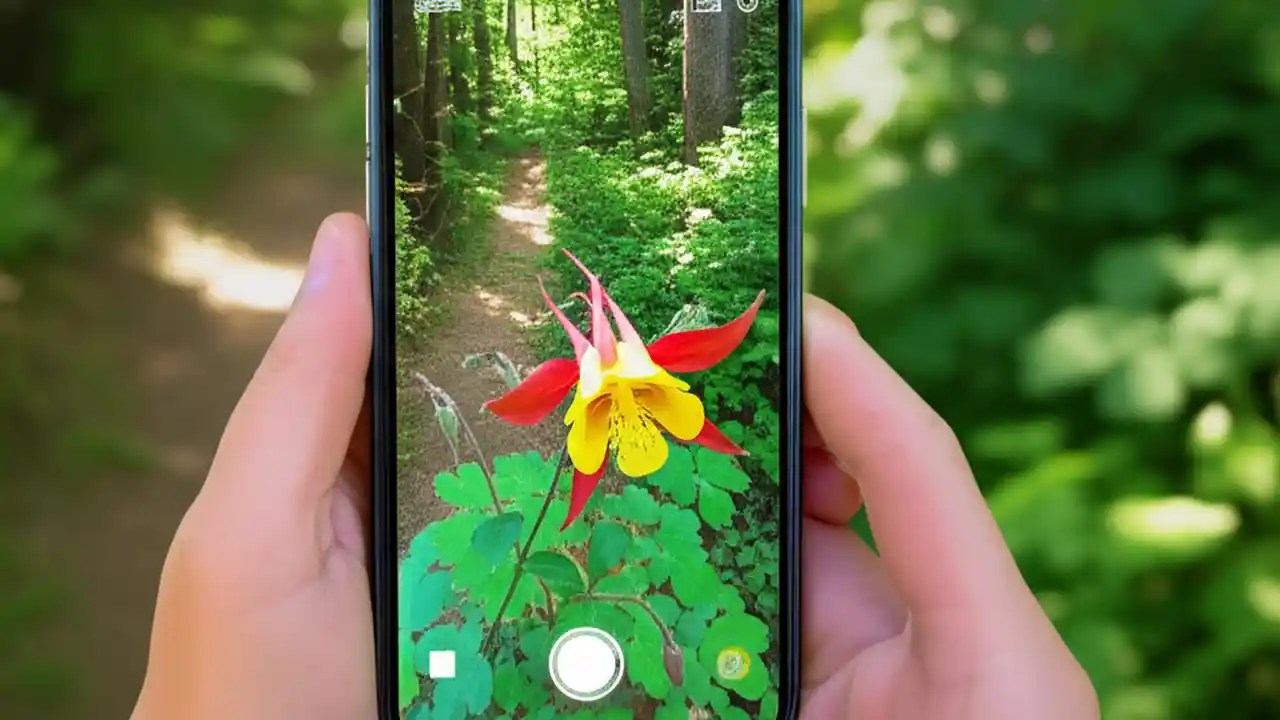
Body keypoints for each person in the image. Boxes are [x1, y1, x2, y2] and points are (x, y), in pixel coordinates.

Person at [130, 214, 1099, 720]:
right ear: (586, 388)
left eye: (629, 392)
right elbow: (593, 433)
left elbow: (690, 431)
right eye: (612, 391)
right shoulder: (581, 408)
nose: (635, 416)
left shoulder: (619, 403)